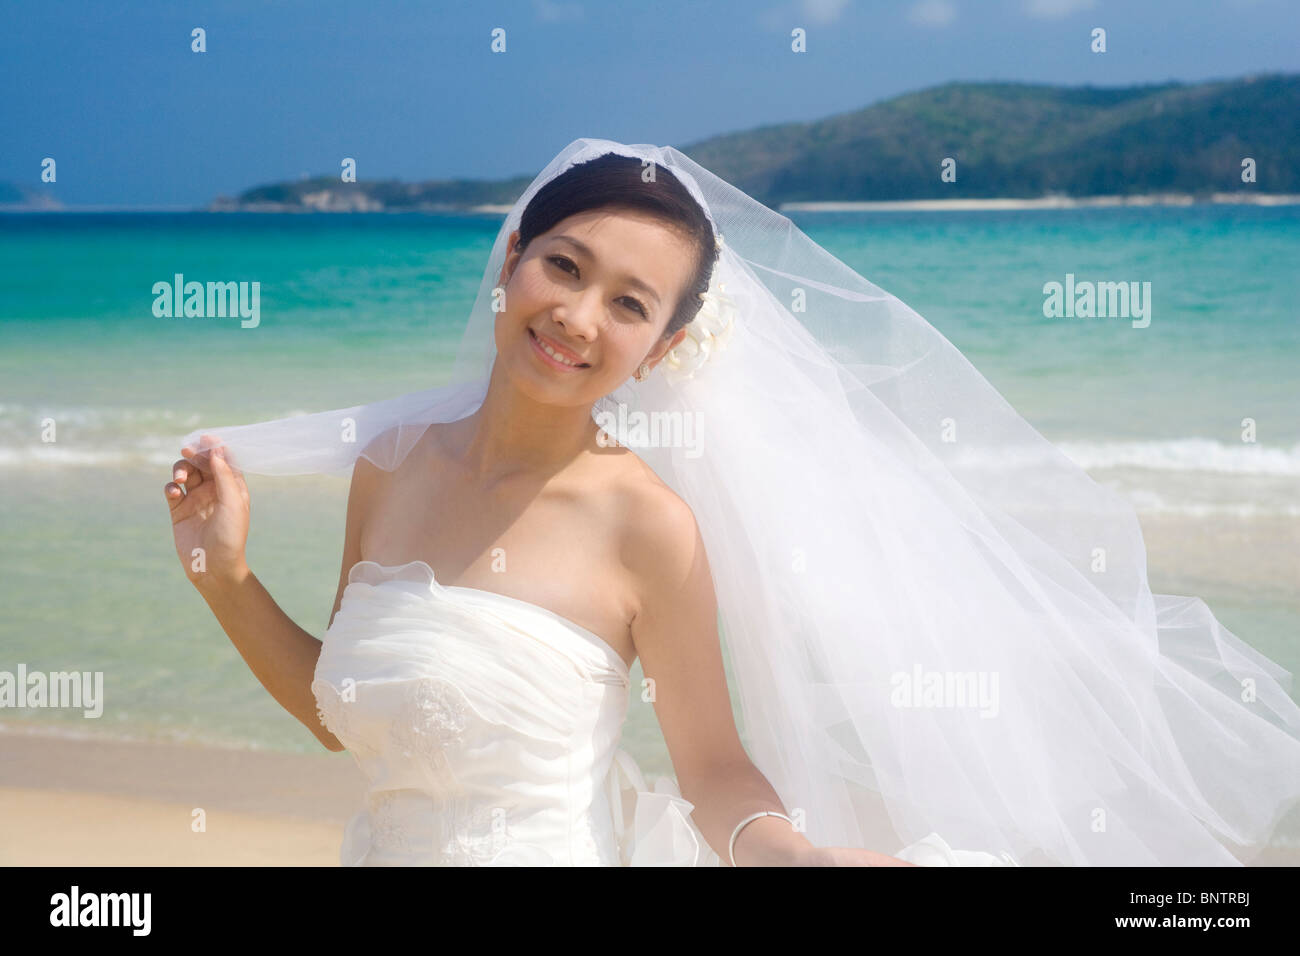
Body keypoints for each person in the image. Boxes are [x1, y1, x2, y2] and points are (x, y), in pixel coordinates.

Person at [166, 138, 1300, 867]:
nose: (577, 317)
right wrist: (224, 575)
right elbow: (349, 712)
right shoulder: (393, 465)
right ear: (509, 259)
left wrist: (781, 849)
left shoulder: (644, 522)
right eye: (563, 265)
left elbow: (709, 764)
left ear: (660, 349)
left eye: (628, 303)